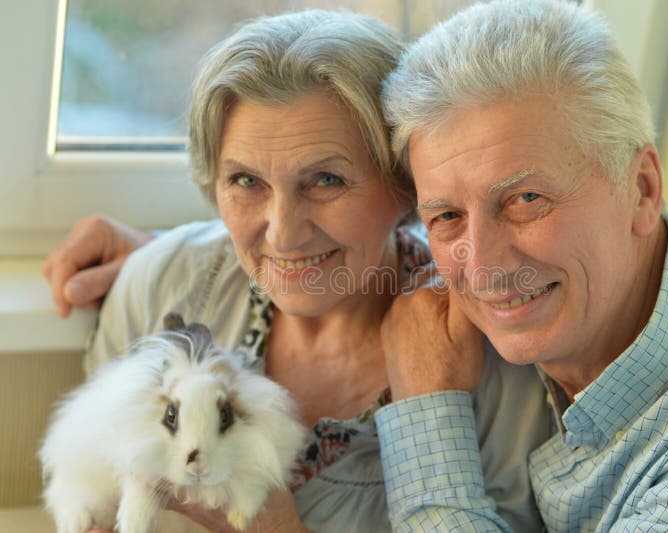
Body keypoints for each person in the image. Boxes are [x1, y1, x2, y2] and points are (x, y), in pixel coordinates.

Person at [43, 8, 549, 533]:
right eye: (245, 181)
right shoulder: (158, 289)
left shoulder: (497, 351)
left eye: (326, 180)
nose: (283, 234)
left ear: (405, 185)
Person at [374, 0, 668, 531]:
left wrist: (426, 415)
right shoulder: (574, 294)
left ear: (642, 189)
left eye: (526, 199)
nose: (482, 269)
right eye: (447, 216)